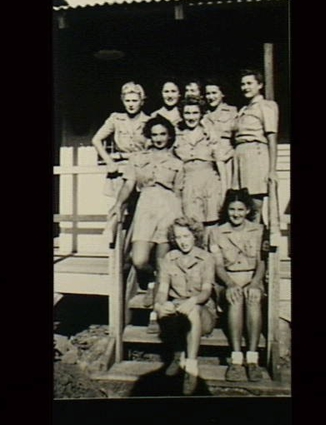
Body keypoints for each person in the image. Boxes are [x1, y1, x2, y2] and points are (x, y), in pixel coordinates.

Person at [107, 116, 184, 330]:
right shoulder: (138, 159)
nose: (159, 138)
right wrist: (118, 205)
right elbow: (128, 184)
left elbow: (178, 193)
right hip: (145, 208)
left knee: (163, 262)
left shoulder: (177, 163)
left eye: (163, 134)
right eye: (155, 134)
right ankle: (152, 281)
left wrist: (180, 222)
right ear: (149, 136)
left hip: (168, 209)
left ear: (169, 136)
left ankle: (155, 316)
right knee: (139, 259)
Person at [154, 216, 217, 395]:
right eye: (179, 237)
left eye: (186, 236)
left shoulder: (206, 258)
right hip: (178, 308)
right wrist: (161, 303)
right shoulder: (169, 258)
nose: (183, 242)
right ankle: (177, 354)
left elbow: (206, 292)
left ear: (195, 236)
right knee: (163, 311)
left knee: (193, 311)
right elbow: (162, 289)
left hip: (202, 312)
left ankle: (191, 366)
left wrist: (193, 301)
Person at [208, 188, 266, 382]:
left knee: (253, 298)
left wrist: (256, 283)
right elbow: (217, 265)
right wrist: (230, 284)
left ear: (248, 210)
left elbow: (261, 261)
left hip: (251, 278)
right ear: (227, 210)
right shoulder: (216, 232)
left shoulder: (258, 230)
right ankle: (236, 359)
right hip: (227, 280)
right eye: (232, 209)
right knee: (235, 298)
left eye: (240, 209)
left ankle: (252, 359)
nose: (236, 214)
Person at [232, 69, 279, 222]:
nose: (245, 87)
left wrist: (272, 170)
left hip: (255, 155)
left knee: (254, 206)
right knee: (242, 204)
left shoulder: (266, 106)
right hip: (240, 156)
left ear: (260, 85)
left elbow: (272, 138)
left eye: (249, 83)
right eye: (243, 84)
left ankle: (257, 242)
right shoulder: (244, 109)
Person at [173, 96, 225, 228]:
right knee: (192, 224)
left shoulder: (210, 134)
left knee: (212, 224)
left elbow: (220, 164)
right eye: (187, 113)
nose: (191, 117)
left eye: (195, 113)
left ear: (201, 114)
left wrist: (224, 190)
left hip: (210, 182)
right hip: (187, 183)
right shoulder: (177, 136)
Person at [91, 82, 150, 197]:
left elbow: (149, 150)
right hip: (120, 169)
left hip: (141, 168)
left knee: (141, 208)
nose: (131, 105)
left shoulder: (149, 121)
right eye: (127, 101)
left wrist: (121, 156)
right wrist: (109, 161)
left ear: (141, 102)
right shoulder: (116, 119)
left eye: (134, 101)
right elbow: (96, 140)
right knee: (120, 206)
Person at [202, 79, 238, 191]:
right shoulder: (204, 116)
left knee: (228, 190)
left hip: (228, 159)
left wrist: (230, 153)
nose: (211, 97)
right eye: (208, 93)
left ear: (222, 94)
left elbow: (237, 137)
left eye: (214, 93)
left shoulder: (232, 111)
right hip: (210, 159)